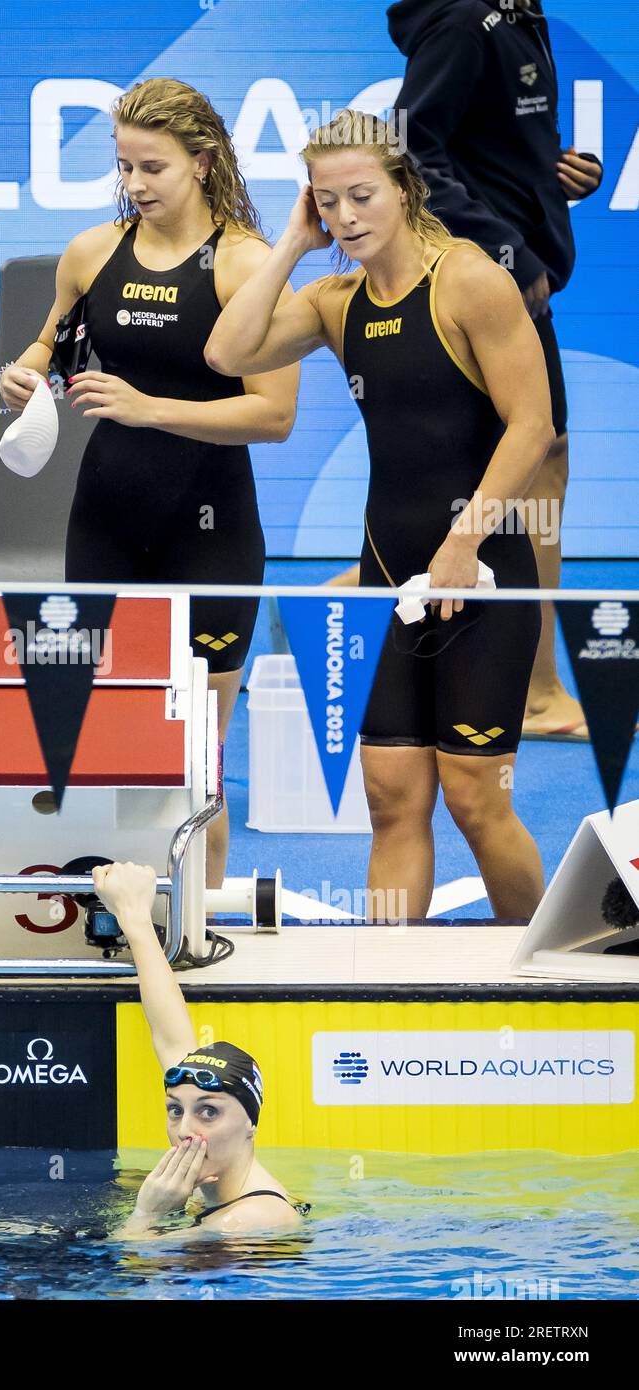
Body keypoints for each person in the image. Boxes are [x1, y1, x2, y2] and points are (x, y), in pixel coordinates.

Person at [206, 110, 554, 922]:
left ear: (405, 189)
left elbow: (531, 423)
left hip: (486, 571)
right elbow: (226, 354)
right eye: (328, 203)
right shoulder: (336, 301)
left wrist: (465, 542)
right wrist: (291, 244)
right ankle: (387, 981)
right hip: (388, 573)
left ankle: (554, 978)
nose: (347, 218)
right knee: (392, 798)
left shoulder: (469, 281)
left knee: (476, 799)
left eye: (362, 196)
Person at [0, 78, 299, 889]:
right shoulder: (94, 252)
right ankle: (120, 919)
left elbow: (273, 416)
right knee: (107, 738)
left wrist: (148, 407)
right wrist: (17, 380)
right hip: (104, 520)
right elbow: (48, 349)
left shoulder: (246, 265)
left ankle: (194, 931)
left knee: (199, 749)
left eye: (152, 168)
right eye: (124, 166)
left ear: (202, 163)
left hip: (211, 530)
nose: (133, 185)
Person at [385, 0, 603, 739]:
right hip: (493, 280)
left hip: (511, 272)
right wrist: (506, 248)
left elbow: (483, 147)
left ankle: (327, 607)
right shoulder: (464, 25)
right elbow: (410, 151)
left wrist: (557, 175)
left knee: (523, 477)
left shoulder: (519, 15)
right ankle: (537, 695)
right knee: (536, 467)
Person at [91, 862, 304, 1237]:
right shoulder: (221, 1186)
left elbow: (125, 1265)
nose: (185, 1130)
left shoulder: (251, 1219)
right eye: (175, 1110)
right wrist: (134, 916)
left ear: (250, 1125)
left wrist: (146, 1215)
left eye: (208, 1112)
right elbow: (170, 1033)